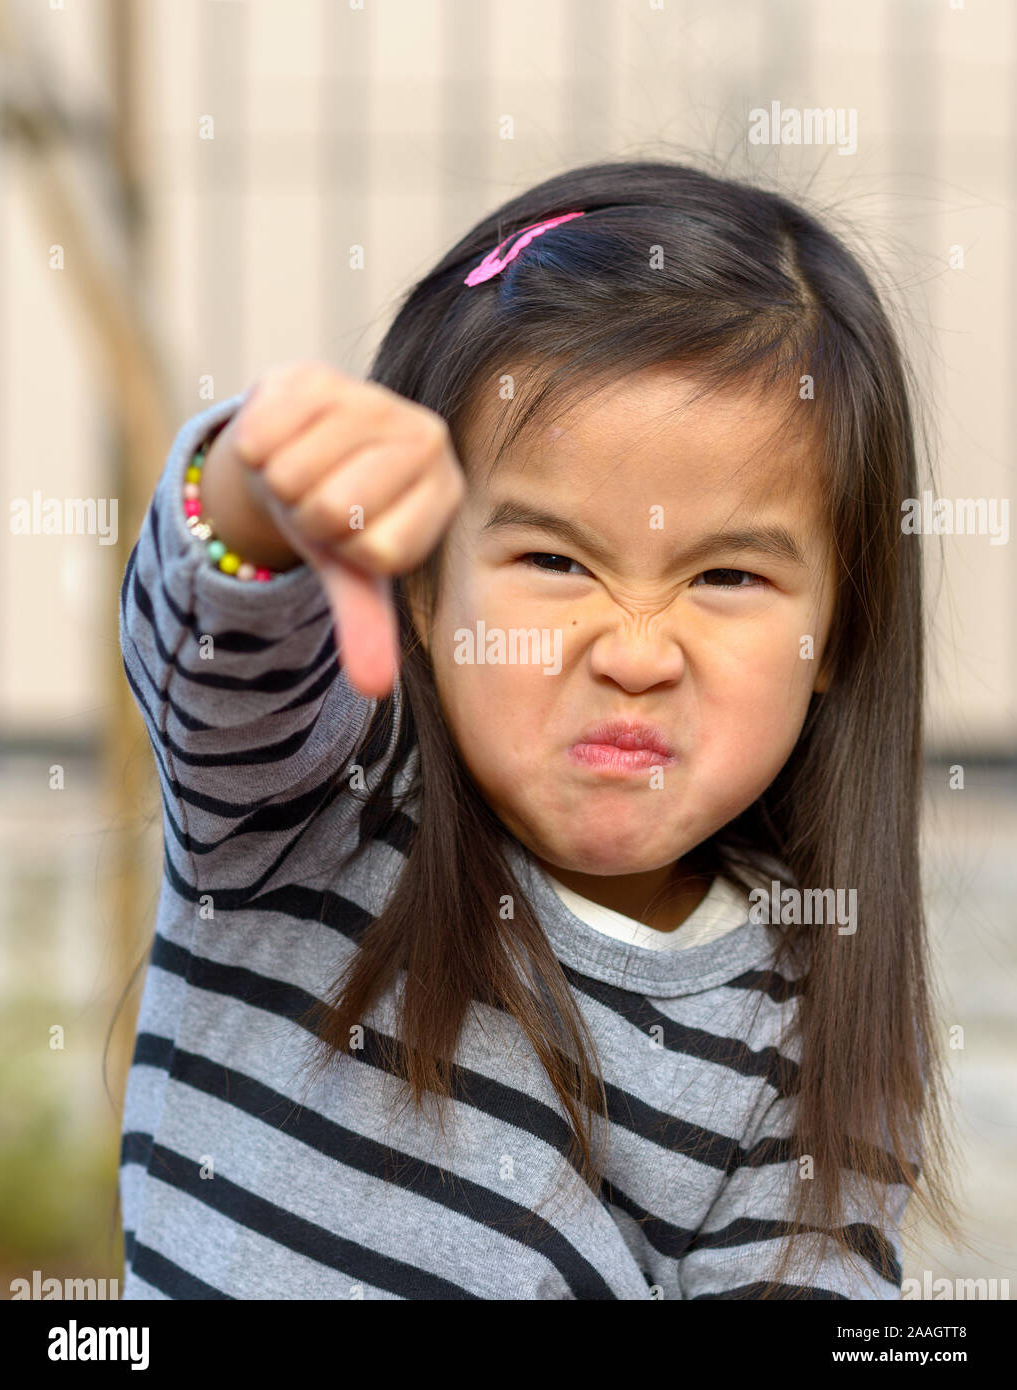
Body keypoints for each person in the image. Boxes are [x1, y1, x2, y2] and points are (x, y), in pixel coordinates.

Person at [117, 158, 958, 1299]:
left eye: (725, 575)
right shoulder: (313, 800)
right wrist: (262, 499)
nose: (634, 651)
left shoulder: (811, 1007)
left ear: (838, 634)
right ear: (419, 584)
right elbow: (224, 645)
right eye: (554, 561)